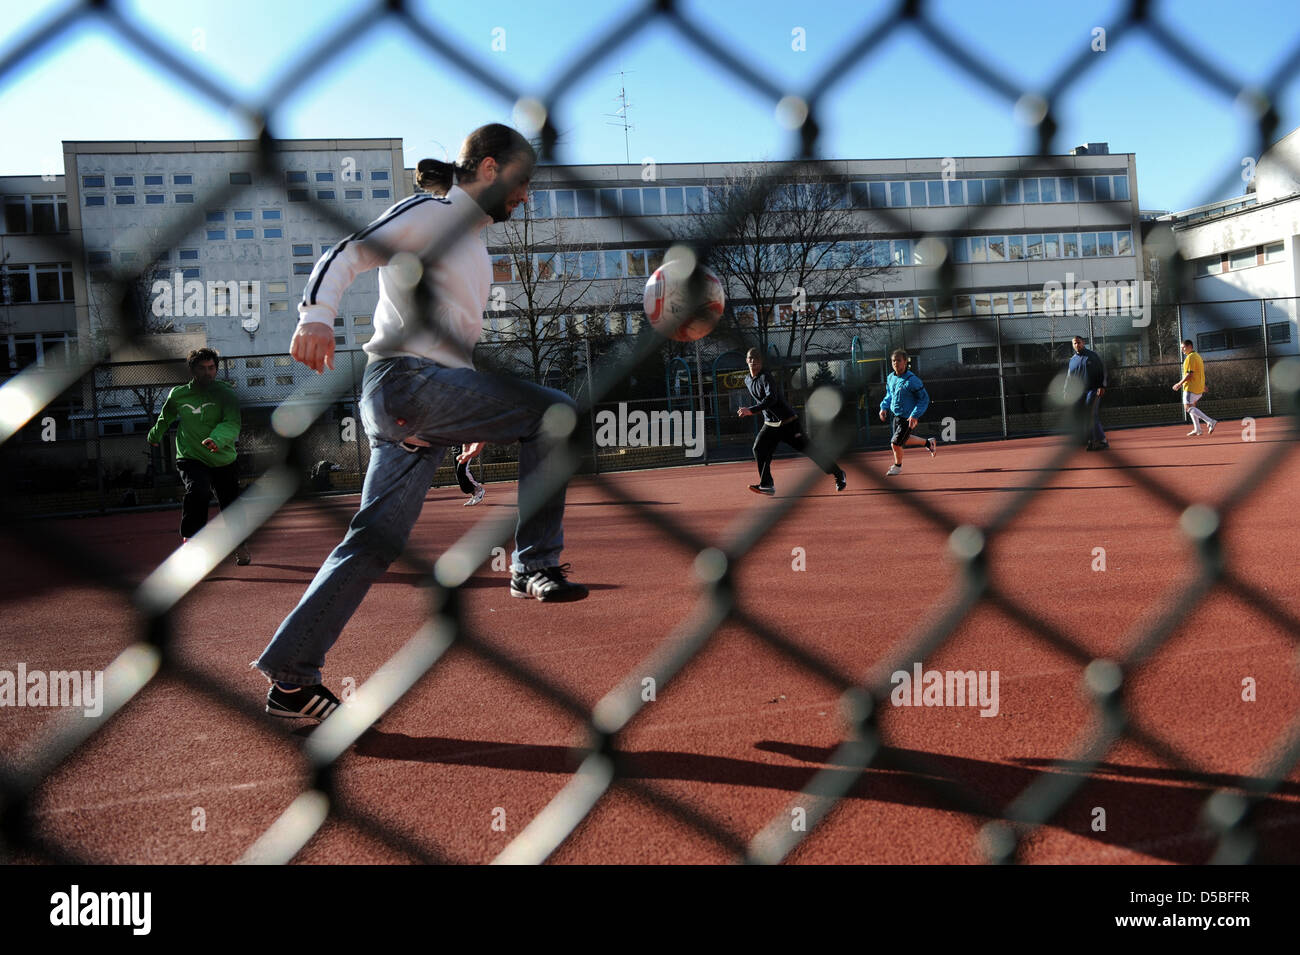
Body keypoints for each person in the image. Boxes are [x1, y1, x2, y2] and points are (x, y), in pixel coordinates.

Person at [254, 123, 585, 721]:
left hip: (428, 400)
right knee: (557, 412)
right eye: (522, 183)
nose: (526, 196)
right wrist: (316, 315)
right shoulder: (433, 211)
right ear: (488, 169)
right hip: (404, 381)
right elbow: (350, 249)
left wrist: (474, 414)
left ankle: (290, 679)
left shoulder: (474, 244)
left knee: (372, 544)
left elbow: (452, 337)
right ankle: (533, 564)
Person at [147, 347, 250, 565]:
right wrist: (155, 435)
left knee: (230, 502)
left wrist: (217, 439)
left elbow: (232, 422)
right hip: (191, 455)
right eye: (202, 368)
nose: (208, 372)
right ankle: (192, 543)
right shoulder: (178, 394)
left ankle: (239, 543)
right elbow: (165, 418)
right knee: (198, 491)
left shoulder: (226, 393)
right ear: (193, 370)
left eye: (212, 368)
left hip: (223, 458)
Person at [738, 347, 846, 496]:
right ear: (746, 360)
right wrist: (757, 411)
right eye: (750, 358)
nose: (753, 361)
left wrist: (751, 410)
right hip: (770, 424)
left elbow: (771, 399)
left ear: (761, 362)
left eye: (756, 358)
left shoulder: (765, 377)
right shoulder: (747, 380)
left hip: (788, 423)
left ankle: (838, 473)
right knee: (759, 448)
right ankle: (767, 484)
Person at [877, 349, 936, 476]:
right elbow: (889, 395)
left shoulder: (912, 380)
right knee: (904, 440)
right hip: (896, 416)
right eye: (893, 360)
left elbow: (924, 399)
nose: (896, 363)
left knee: (895, 443)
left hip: (908, 418)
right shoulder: (891, 377)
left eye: (899, 360)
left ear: (905, 362)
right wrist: (883, 407)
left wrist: (914, 415)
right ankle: (928, 443)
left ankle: (897, 466)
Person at [1065, 335, 1108, 451]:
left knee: (1091, 413)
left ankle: (1102, 441)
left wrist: (1102, 385)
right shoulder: (1072, 360)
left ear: (1083, 343)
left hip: (1093, 390)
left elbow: (1102, 370)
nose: (1077, 345)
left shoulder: (1092, 356)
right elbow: (1069, 377)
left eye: (1078, 342)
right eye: (1074, 343)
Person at [1172, 339, 1217, 437]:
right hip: (1198, 387)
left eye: (1183, 347)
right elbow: (1199, 372)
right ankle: (1198, 429)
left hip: (1191, 387)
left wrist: (1179, 384)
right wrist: (1203, 385)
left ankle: (1210, 421)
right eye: (1181, 348)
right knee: (1192, 407)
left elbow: (1190, 374)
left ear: (1190, 347)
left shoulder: (1190, 357)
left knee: (1187, 407)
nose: (1182, 350)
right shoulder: (1197, 356)